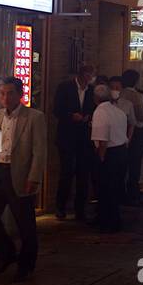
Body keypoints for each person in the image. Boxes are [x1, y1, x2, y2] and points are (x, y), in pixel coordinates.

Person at [0, 78, 47, 282]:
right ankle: (6, 254)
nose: (6, 98)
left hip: (20, 174)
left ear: (19, 94)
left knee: (25, 224)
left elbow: (39, 151)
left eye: (10, 93)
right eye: (2, 93)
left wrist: (34, 177)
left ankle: (26, 266)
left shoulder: (34, 117)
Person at [52, 63, 96, 221]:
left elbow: (94, 109)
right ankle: (60, 206)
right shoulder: (65, 87)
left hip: (85, 137)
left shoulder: (92, 91)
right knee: (66, 172)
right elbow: (56, 109)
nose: (91, 78)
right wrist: (71, 116)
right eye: (89, 75)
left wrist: (88, 117)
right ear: (83, 75)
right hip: (67, 136)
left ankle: (80, 210)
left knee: (83, 174)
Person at [90, 83, 129, 232]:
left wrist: (100, 159)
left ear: (96, 98)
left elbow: (102, 139)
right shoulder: (118, 111)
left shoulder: (100, 112)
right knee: (114, 189)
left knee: (104, 189)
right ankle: (113, 220)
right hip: (121, 152)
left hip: (109, 153)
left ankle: (107, 222)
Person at [118, 69, 143, 203]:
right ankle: (133, 193)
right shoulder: (139, 96)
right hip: (137, 131)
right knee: (135, 164)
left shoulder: (119, 95)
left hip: (119, 131)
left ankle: (120, 192)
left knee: (121, 164)